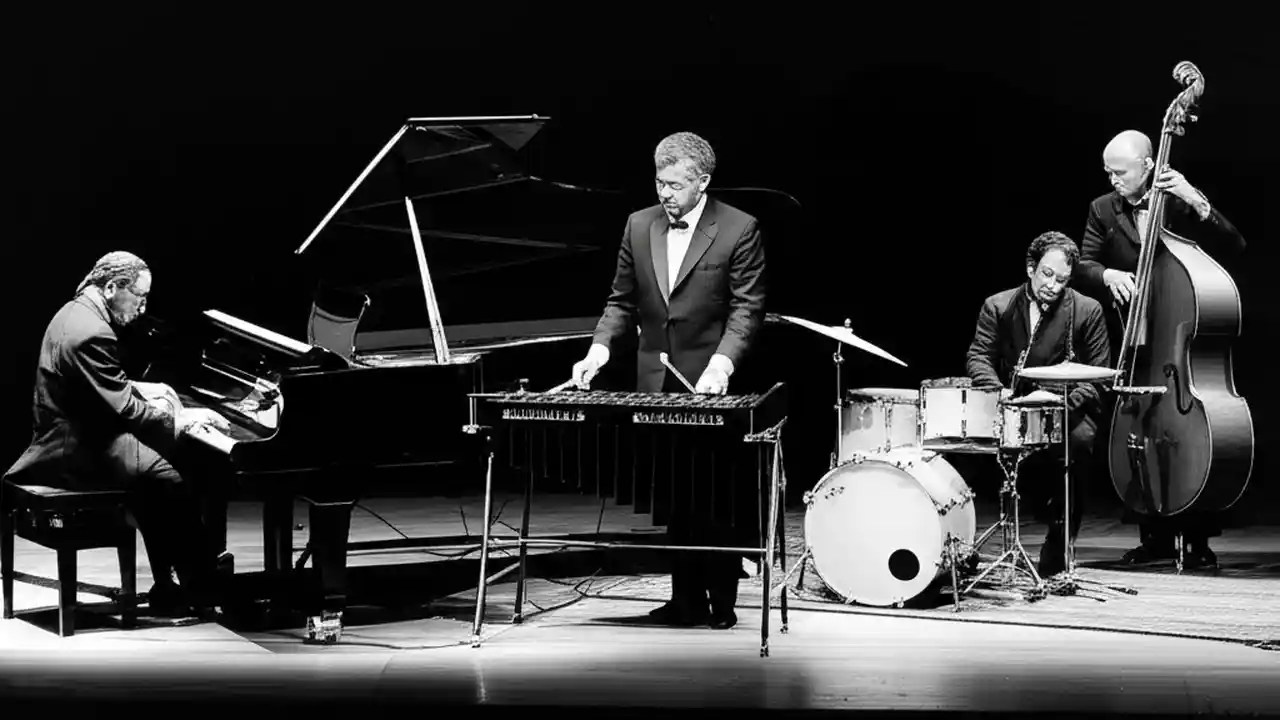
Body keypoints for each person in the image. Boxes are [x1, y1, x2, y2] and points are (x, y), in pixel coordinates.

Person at [571, 131, 767, 629]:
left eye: (676, 185)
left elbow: (747, 309)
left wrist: (721, 366)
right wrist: (598, 349)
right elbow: (621, 300)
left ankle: (722, 601)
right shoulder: (639, 225)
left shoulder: (739, 228)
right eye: (660, 183)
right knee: (674, 495)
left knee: (715, 495)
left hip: (713, 381)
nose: (665, 194)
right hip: (654, 381)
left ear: (703, 182)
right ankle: (685, 601)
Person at [3, 251, 232, 617]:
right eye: (139, 297)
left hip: (78, 432)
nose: (142, 308)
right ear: (112, 288)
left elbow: (105, 386)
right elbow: (125, 409)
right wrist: (182, 419)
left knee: (154, 473)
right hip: (73, 449)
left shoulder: (75, 312)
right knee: (165, 477)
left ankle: (173, 583)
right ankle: (203, 581)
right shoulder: (92, 333)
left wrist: (149, 389)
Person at [1075, 129, 1247, 569]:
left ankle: (1198, 539)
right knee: (1138, 430)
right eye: (1108, 171)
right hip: (1138, 344)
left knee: (1191, 432)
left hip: (1179, 335)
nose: (1112, 179)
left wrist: (1199, 203)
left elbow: (1235, 246)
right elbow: (1085, 264)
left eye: (1121, 171)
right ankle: (1151, 534)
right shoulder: (1102, 208)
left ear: (1149, 165)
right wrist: (1108, 275)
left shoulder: (1178, 201)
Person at [966, 231, 1112, 578]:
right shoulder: (998, 305)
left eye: (1062, 279)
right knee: (962, 448)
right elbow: (978, 357)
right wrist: (995, 391)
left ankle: (1058, 543)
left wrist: (1061, 409)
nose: (1053, 285)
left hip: (1066, 407)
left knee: (1076, 444)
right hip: (1011, 404)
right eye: (1047, 274)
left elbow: (1099, 376)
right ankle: (960, 543)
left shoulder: (1087, 310)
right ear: (1031, 267)